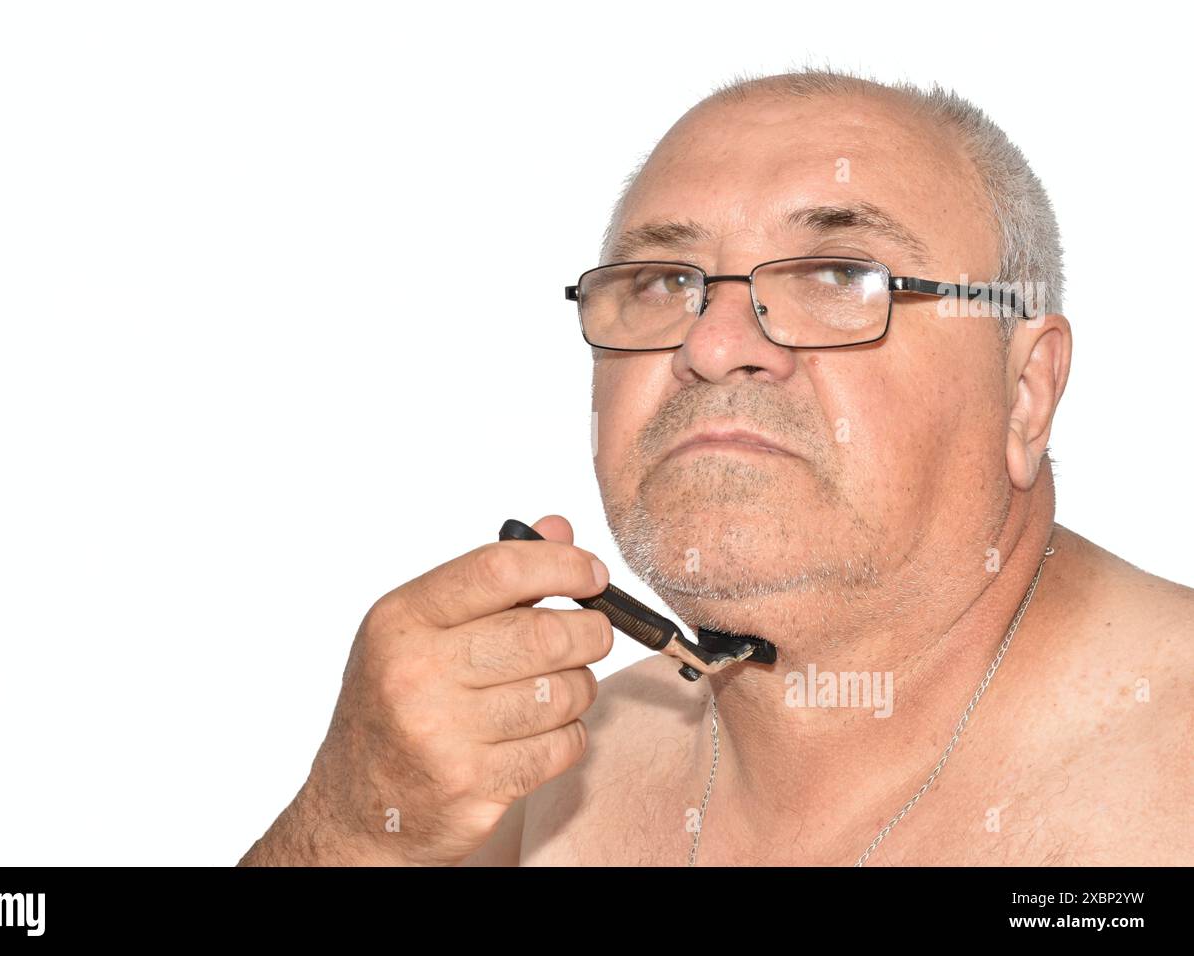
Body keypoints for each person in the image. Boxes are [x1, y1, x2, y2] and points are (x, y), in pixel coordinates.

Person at [239, 68, 1194, 867]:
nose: (716, 342)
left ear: (1025, 389)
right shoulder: (533, 784)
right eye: (662, 283)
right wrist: (350, 826)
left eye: (838, 276)